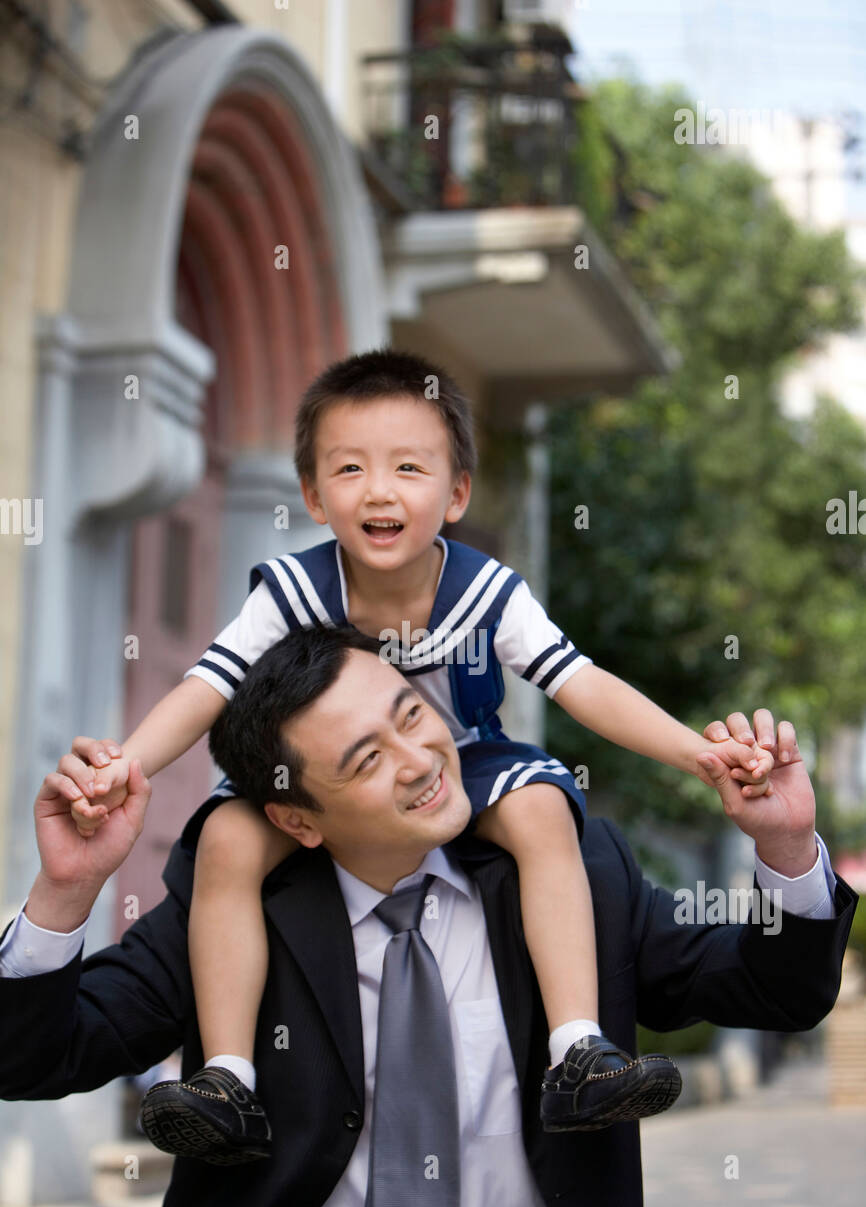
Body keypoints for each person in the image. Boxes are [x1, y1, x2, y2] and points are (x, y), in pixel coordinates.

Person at [58, 350, 775, 1161]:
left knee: (543, 809)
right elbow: (206, 687)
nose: (379, 489)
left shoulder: (488, 590)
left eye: (409, 466)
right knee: (226, 839)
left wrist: (696, 754)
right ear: (313, 495)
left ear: (456, 491)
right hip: (323, 781)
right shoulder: (291, 591)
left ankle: (580, 1053)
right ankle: (227, 1080)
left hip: (464, 758)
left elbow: (583, 684)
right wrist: (128, 767)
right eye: (350, 468)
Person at [0, 627, 854, 1207]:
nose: (420, 762)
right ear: (298, 819)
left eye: (411, 715)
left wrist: (785, 846)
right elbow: (38, 1056)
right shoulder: (237, 908)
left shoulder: (569, 872)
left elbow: (773, 991)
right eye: (367, 760)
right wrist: (66, 890)